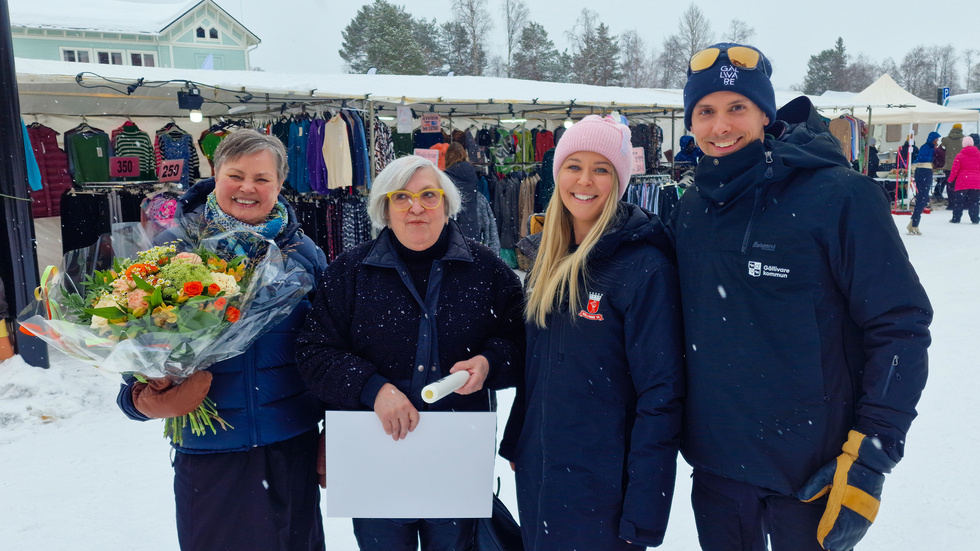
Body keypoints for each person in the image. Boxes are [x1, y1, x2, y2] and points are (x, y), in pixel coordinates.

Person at [670, 43, 932, 551]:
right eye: (705, 111)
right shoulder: (693, 206)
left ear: (765, 113)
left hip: (814, 474)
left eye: (736, 108)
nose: (720, 126)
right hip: (719, 471)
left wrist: (871, 453)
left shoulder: (840, 195)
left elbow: (901, 326)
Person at [295, 155, 525, 551]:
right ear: (385, 207)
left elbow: (521, 344)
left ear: (447, 203)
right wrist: (373, 388)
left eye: (428, 196)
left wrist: (489, 364)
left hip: (457, 452)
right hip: (375, 453)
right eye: (401, 197)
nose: (415, 207)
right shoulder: (350, 271)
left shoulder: (486, 270)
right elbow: (314, 353)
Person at [116, 130, 328, 551]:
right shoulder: (173, 250)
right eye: (236, 175)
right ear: (216, 175)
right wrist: (144, 399)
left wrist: (335, 432)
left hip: (291, 447)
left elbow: (330, 351)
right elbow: (129, 351)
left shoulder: (305, 254)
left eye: (262, 178)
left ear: (280, 184)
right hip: (209, 453)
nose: (248, 187)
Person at [501, 115, 685, 550]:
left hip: (604, 492)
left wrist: (644, 509)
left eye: (601, 169)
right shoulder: (547, 262)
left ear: (618, 181)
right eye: (573, 165)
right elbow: (537, 366)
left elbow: (661, 397)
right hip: (541, 475)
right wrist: (519, 443)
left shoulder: (644, 269)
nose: (584, 180)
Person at [443, 142, 501, 253]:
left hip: (455, 223)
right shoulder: (471, 171)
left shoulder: (446, 175)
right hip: (474, 224)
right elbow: (490, 228)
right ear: (464, 155)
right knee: (472, 251)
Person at [908, 131, 941, 234]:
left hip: (925, 172)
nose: (937, 141)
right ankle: (914, 224)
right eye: (936, 139)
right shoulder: (926, 147)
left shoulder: (930, 148)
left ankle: (913, 222)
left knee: (923, 198)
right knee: (922, 198)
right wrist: (934, 154)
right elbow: (922, 158)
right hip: (923, 172)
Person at [948, 135, 980, 224]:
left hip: (962, 182)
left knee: (959, 202)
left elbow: (955, 170)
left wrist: (950, 179)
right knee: (974, 202)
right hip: (976, 183)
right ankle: (975, 218)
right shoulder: (978, 155)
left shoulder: (960, 155)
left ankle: (956, 218)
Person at [939, 123, 966, 202]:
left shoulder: (946, 139)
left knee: (950, 185)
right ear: (961, 129)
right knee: (960, 185)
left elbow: (941, 148)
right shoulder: (964, 139)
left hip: (949, 166)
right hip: (961, 167)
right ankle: (959, 202)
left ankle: (951, 203)